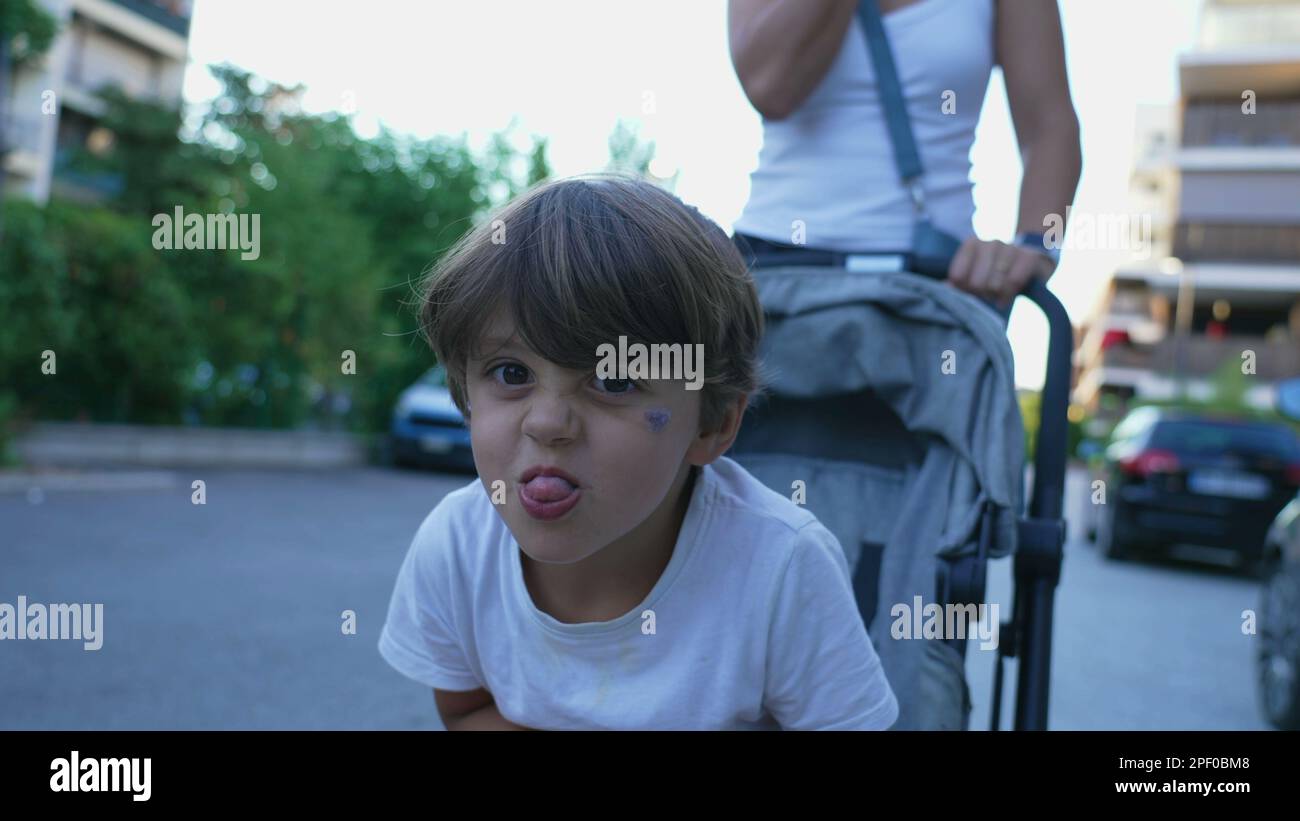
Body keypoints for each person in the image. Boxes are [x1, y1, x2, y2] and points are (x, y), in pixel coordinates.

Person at [377, 174, 900, 731]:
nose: (549, 422)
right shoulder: (458, 546)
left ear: (714, 425)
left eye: (615, 381)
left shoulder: (782, 566)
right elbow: (467, 712)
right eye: (512, 373)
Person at [727, 0, 1082, 321]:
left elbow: (1050, 127)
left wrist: (1037, 246)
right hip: (776, 267)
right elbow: (770, 87)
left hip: (938, 277)